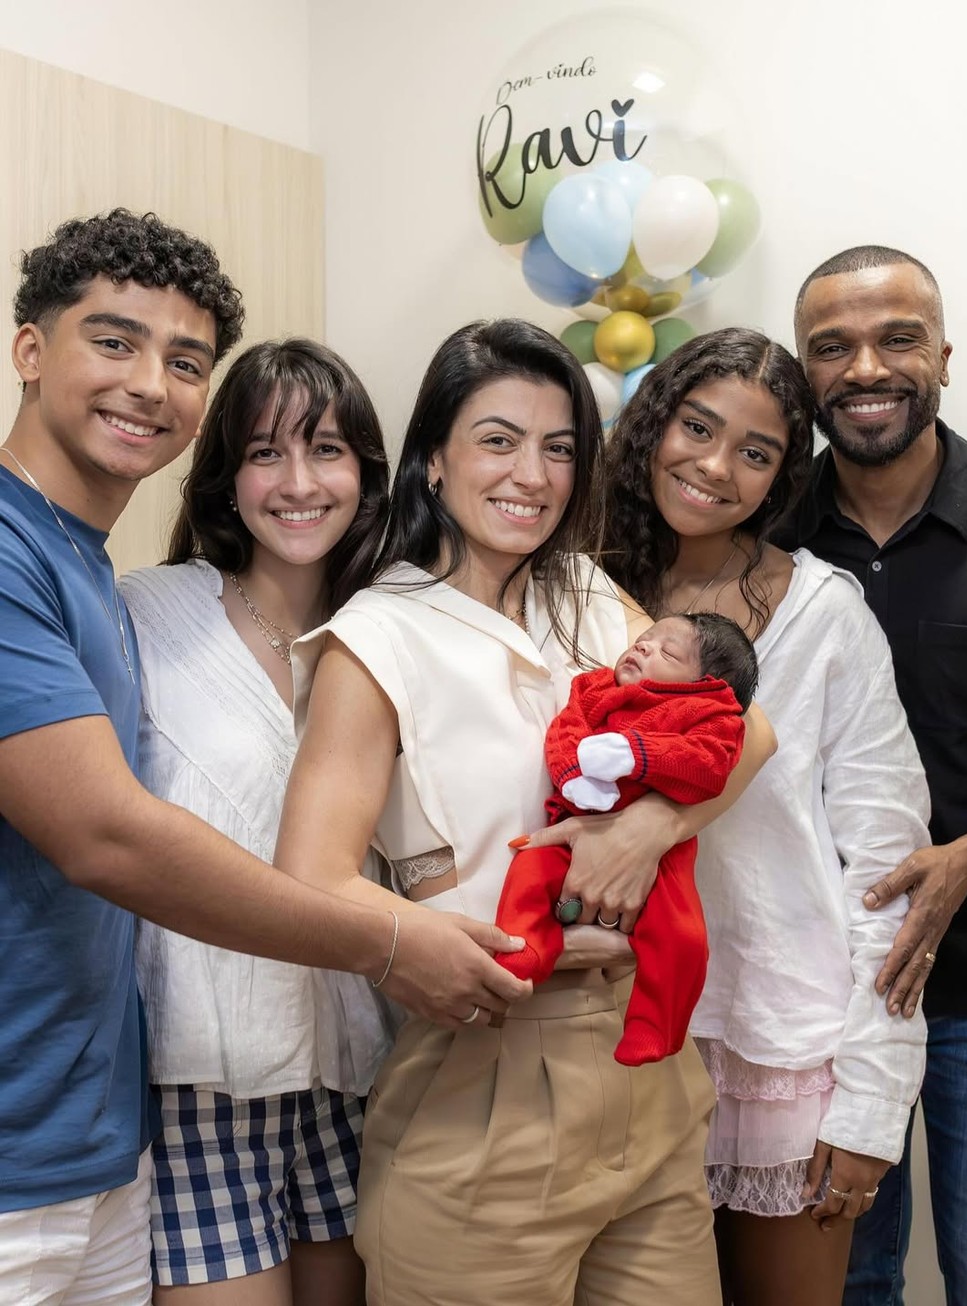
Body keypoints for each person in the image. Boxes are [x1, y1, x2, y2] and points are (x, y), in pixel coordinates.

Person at [0, 210, 528, 1305]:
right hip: (139, 1098)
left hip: (219, 1098)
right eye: (114, 341)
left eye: (184, 362)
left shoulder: (391, 621)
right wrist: (393, 940)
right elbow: (107, 834)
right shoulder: (133, 598)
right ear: (30, 349)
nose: (149, 383)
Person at [276, 318, 777, 1306]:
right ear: (433, 460)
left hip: (650, 1067)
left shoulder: (585, 592)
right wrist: (468, 949)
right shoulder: (376, 637)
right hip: (488, 1070)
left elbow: (746, 733)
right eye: (498, 439)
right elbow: (308, 880)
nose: (533, 475)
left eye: (559, 448)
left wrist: (643, 831)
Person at [602, 326, 930, 1306]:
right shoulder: (572, 584)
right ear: (653, 421)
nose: (714, 466)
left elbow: (886, 863)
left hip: (777, 1044)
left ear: (785, 477)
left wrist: (870, 1104)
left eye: (756, 451)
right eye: (697, 427)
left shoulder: (823, 611)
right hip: (603, 1038)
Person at [119, 338, 396, 1303]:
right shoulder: (145, 613)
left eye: (326, 450)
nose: (299, 483)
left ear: (366, 469)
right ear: (225, 477)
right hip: (202, 1071)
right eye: (264, 453)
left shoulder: (391, 626)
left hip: (364, 1065)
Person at [785, 245, 967, 1305]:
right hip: (819, 998)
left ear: (944, 353)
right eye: (832, 346)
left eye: (897, 336)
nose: (866, 366)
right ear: (803, 371)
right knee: (843, 1282)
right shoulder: (761, 538)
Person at [494, 611, 755, 1066]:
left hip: (663, 852)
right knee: (530, 866)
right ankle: (526, 947)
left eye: (667, 652)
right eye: (646, 639)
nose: (643, 647)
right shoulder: (595, 687)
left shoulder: (712, 713)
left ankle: (656, 1027)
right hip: (572, 820)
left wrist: (637, 755)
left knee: (684, 936)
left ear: (705, 683)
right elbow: (565, 731)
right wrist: (571, 774)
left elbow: (708, 767)